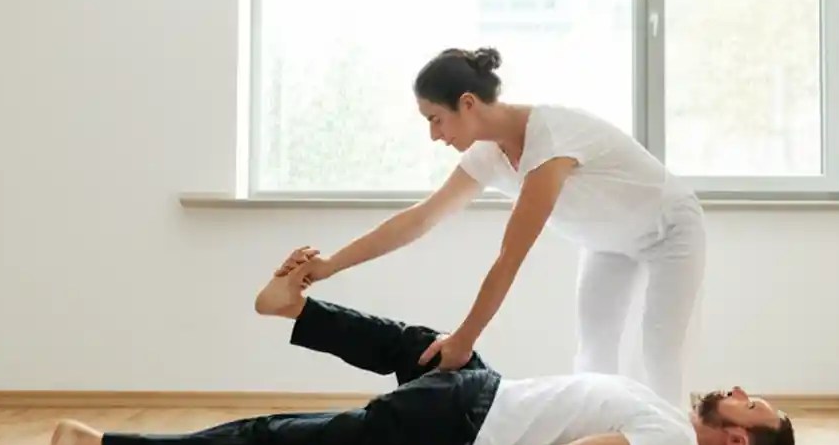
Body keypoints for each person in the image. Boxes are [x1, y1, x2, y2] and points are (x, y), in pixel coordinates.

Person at [46, 257, 794, 445]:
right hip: (477, 396)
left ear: (733, 442)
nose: (735, 390)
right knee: (434, 346)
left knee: (282, 433)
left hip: (458, 423)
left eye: (749, 404)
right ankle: (295, 310)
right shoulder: (664, 415)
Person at [283, 47, 707, 406]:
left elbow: (510, 257)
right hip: (605, 241)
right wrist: (331, 265)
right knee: (595, 348)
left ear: (467, 103)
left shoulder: (550, 139)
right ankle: (602, 439)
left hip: (668, 227)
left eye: (436, 119)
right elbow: (421, 218)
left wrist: (464, 338)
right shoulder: (487, 155)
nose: (434, 135)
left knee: (659, 346)